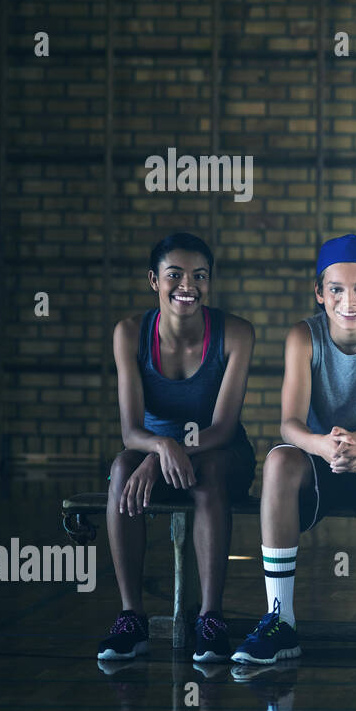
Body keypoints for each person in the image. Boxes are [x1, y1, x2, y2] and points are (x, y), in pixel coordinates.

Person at [232, 234, 356, 666]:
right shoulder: (303, 337)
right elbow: (289, 424)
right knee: (280, 459)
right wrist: (324, 446)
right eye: (336, 289)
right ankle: (280, 618)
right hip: (319, 461)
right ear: (320, 294)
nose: (349, 300)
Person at [99, 233, 256, 663]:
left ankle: (210, 618)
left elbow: (223, 428)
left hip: (221, 456)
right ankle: (132, 617)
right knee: (120, 469)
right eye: (175, 275)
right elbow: (130, 430)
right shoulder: (130, 333)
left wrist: (163, 453)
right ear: (155, 280)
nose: (187, 285)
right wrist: (157, 450)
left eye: (199, 276)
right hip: (156, 452)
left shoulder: (236, 333)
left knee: (208, 478)